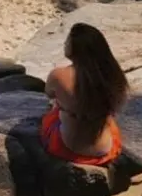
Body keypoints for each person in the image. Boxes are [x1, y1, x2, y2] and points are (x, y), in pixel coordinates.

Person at [40, 23, 128, 165]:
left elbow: (49, 93)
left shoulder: (58, 75)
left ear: (74, 48)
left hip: (68, 147)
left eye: (67, 41)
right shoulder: (113, 75)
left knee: (54, 110)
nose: (64, 44)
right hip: (105, 149)